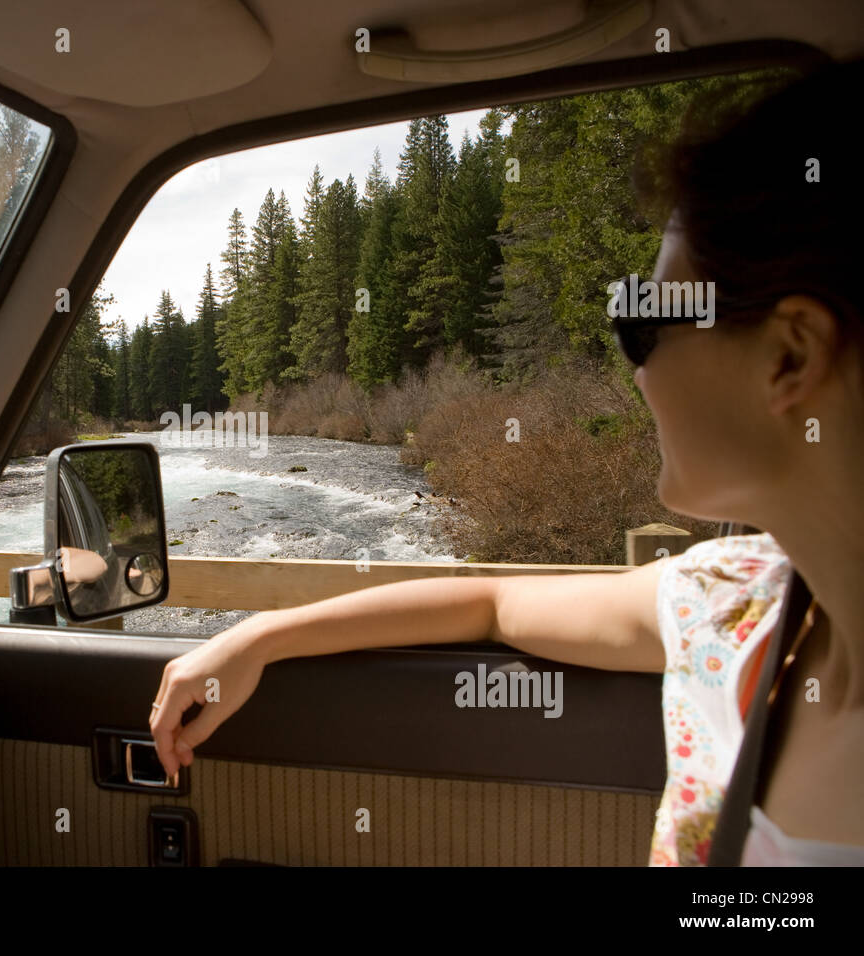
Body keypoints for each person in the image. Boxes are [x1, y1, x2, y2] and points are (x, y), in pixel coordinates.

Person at [147, 57, 864, 866]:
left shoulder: (728, 609)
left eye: (643, 323)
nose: (635, 369)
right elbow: (488, 604)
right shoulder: (727, 606)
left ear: (790, 357)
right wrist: (261, 636)